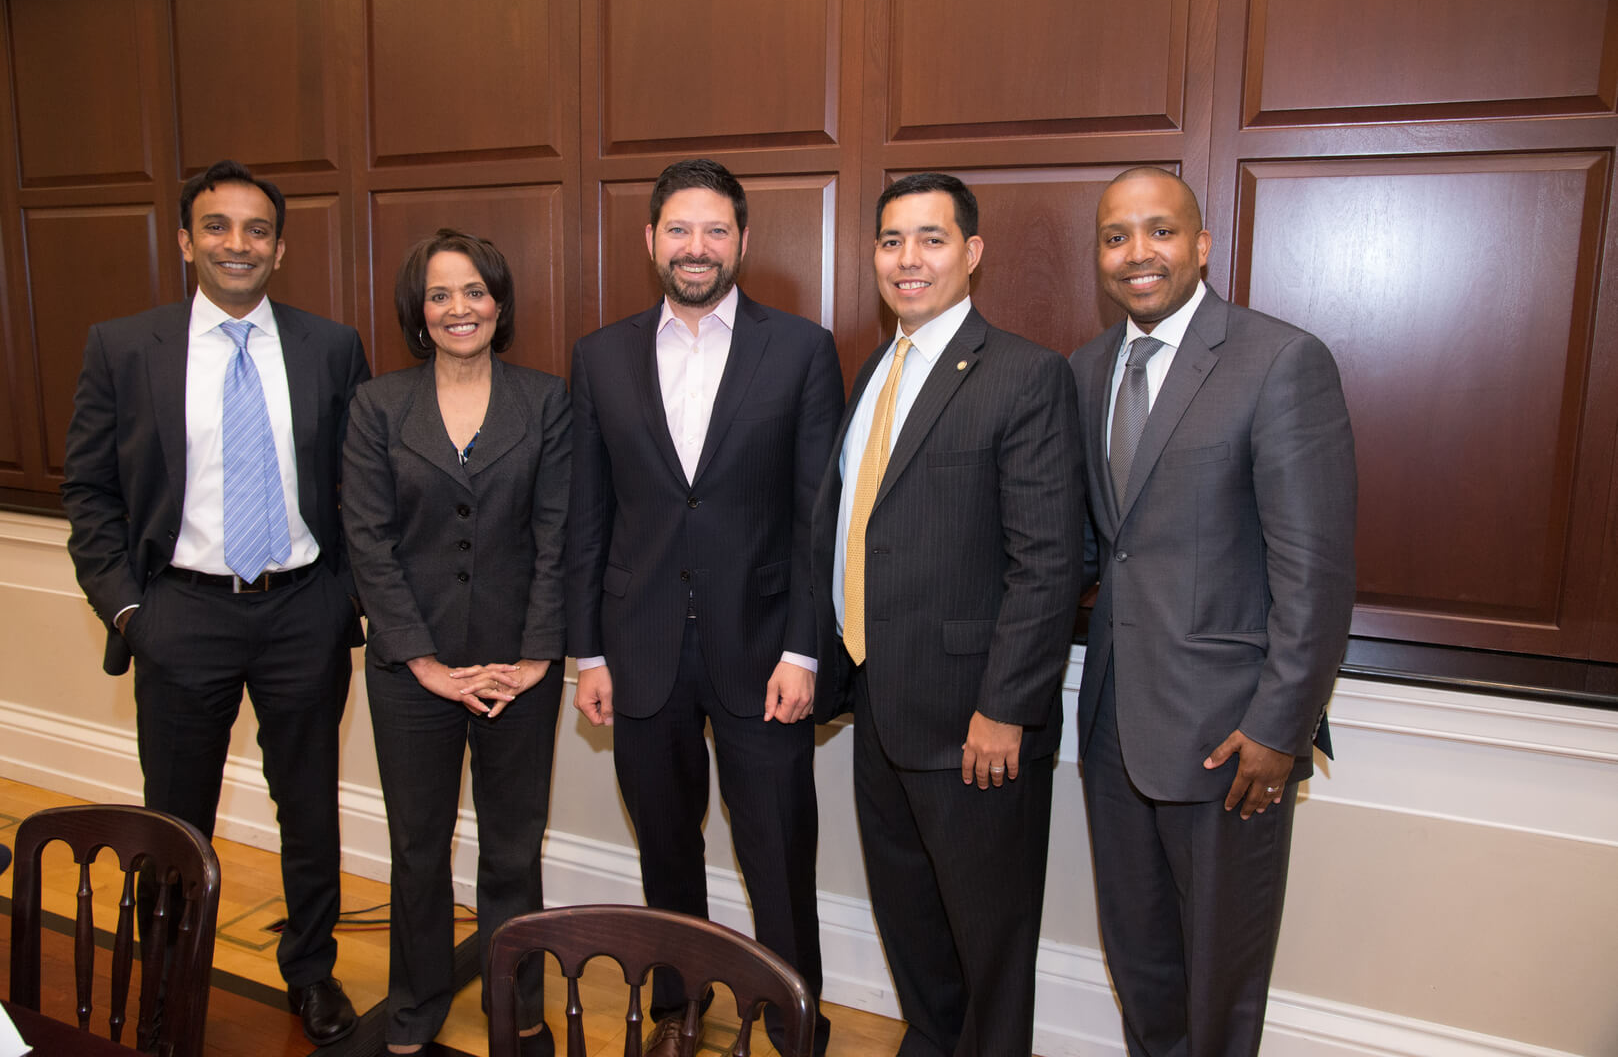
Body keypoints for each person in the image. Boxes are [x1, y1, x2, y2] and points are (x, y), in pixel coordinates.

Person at [60, 159, 369, 1045]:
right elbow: (90, 492)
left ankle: (310, 972)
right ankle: (165, 981)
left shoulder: (330, 346)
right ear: (189, 240)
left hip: (303, 610)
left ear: (280, 247)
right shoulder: (122, 346)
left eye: (257, 230)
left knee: (308, 807)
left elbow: (364, 483)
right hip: (178, 613)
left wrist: (345, 599)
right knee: (174, 817)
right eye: (219, 227)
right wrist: (128, 611)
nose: (239, 243)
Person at [1069, 167, 1356, 1056]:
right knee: (1142, 963)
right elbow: (1100, 546)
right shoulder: (1085, 369)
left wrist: (1282, 727)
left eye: (1161, 232)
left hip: (1232, 740)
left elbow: (1314, 571)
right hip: (1115, 725)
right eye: (1118, 237)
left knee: (1221, 987)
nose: (1138, 253)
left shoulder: (1279, 360)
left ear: (1201, 245)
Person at [566, 158, 843, 1057]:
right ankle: (679, 1002)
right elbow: (588, 515)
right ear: (650, 241)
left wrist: (806, 651)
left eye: (715, 230)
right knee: (666, 846)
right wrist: (589, 655)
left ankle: (794, 1017)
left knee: (777, 851)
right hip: (638, 647)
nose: (697, 248)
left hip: (764, 653)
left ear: (743, 242)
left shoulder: (800, 349)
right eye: (679, 230)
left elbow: (817, 519)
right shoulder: (600, 355)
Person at [810, 172, 1082, 1056]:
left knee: (988, 942)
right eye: (891, 241)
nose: (908, 259)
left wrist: (1006, 709)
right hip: (881, 706)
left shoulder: (1025, 375)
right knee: (912, 924)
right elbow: (858, 529)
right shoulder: (874, 369)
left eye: (931, 239)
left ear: (972, 253)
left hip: (976, 724)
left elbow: (1047, 563)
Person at [342, 229, 570, 1056]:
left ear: (498, 303)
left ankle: (519, 1007)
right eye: (440, 294)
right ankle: (414, 1005)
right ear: (419, 310)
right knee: (416, 846)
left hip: (520, 668)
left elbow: (559, 537)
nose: (458, 308)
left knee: (514, 845)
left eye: (473, 291)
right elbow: (368, 543)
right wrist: (427, 664)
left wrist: (538, 659)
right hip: (412, 672)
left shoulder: (546, 402)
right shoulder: (377, 406)